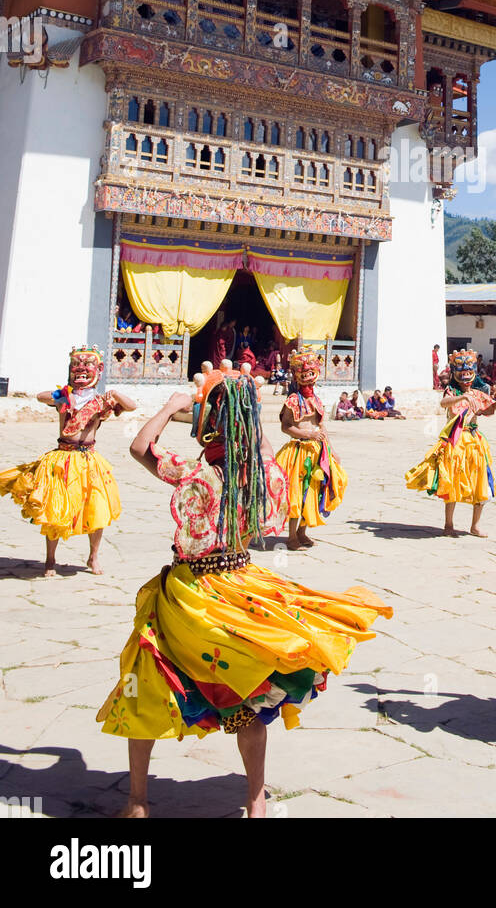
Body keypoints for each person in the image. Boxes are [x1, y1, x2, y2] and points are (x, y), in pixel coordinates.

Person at [97, 370, 391, 817]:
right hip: (239, 585)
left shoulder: (196, 472)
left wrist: (169, 406)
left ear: (210, 420)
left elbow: (140, 448)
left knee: (148, 678)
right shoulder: (266, 475)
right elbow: (265, 448)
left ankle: (138, 803)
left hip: (190, 592)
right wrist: (247, 412)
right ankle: (256, 804)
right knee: (249, 695)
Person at [0, 346, 135, 577]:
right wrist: (61, 395)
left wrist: (114, 394)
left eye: (87, 366)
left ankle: (93, 556)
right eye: (76, 366)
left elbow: (131, 406)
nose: (81, 370)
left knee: (97, 509)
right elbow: (41, 396)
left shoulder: (100, 401)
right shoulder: (65, 396)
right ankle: (50, 559)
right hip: (62, 457)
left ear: (99, 370)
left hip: (89, 460)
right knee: (54, 510)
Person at [405, 347, 496, 537]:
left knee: (481, 482)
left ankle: (475, 526)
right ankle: (448, 524)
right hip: (456, 442)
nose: (466, 375)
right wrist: (462, 397)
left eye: (469, 371)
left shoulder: (477, 393)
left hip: (475, 443)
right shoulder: (451, 391)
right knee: (452, 482)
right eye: (462, 372)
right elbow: (444, 404)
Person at [275, 352, 348, 549]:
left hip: (317, 451)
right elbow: (286, 426)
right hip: (298, 452)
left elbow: (322, 427)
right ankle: (291, 537)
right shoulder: (292, 400)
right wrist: (307, 435)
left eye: (310, 373)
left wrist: (331, 451)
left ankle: (302, 532)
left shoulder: (316, 399)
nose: (307, 377)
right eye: (304, 373)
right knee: (297, 492)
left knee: (314, 492)